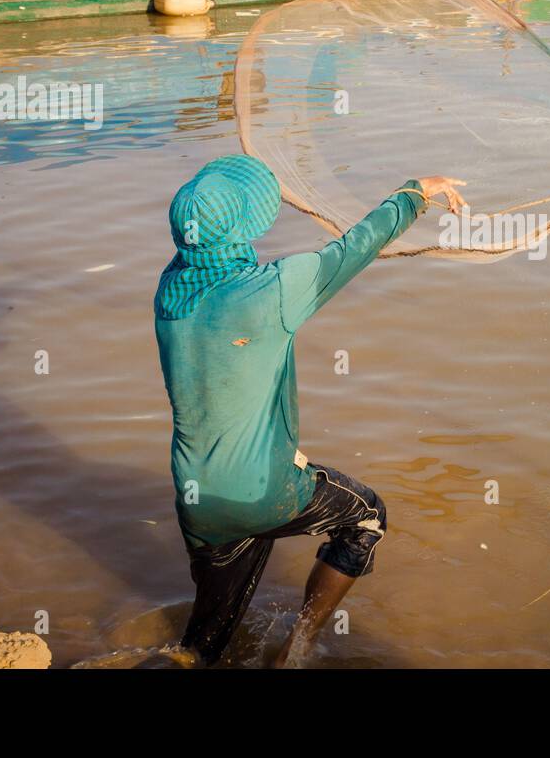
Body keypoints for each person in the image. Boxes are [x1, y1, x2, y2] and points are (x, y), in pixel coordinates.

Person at [153, 153, 465, 667]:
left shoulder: (169, 292)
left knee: (203, 648)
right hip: (263, 490)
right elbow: (353, 250)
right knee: (366, 517)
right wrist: (415, 193)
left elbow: (205, 249)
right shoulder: (273, 290)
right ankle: (296, 649)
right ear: (240, 229)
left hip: (196, 499)